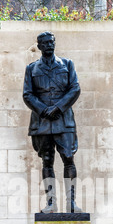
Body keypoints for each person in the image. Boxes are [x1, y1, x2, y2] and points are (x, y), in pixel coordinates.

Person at [23, 31, 82, 213]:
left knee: (68, 158)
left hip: (63, 120)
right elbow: (27, 94)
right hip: (41, 122)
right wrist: (43, 110)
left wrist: (58, 108)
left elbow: (75, 88)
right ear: (39, 46)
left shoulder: (67, 64)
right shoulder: (31, 68)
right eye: (45, 43)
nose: (49, 45)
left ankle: (71, 204)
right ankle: (51, 204)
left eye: (51, 42)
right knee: (47, 161)